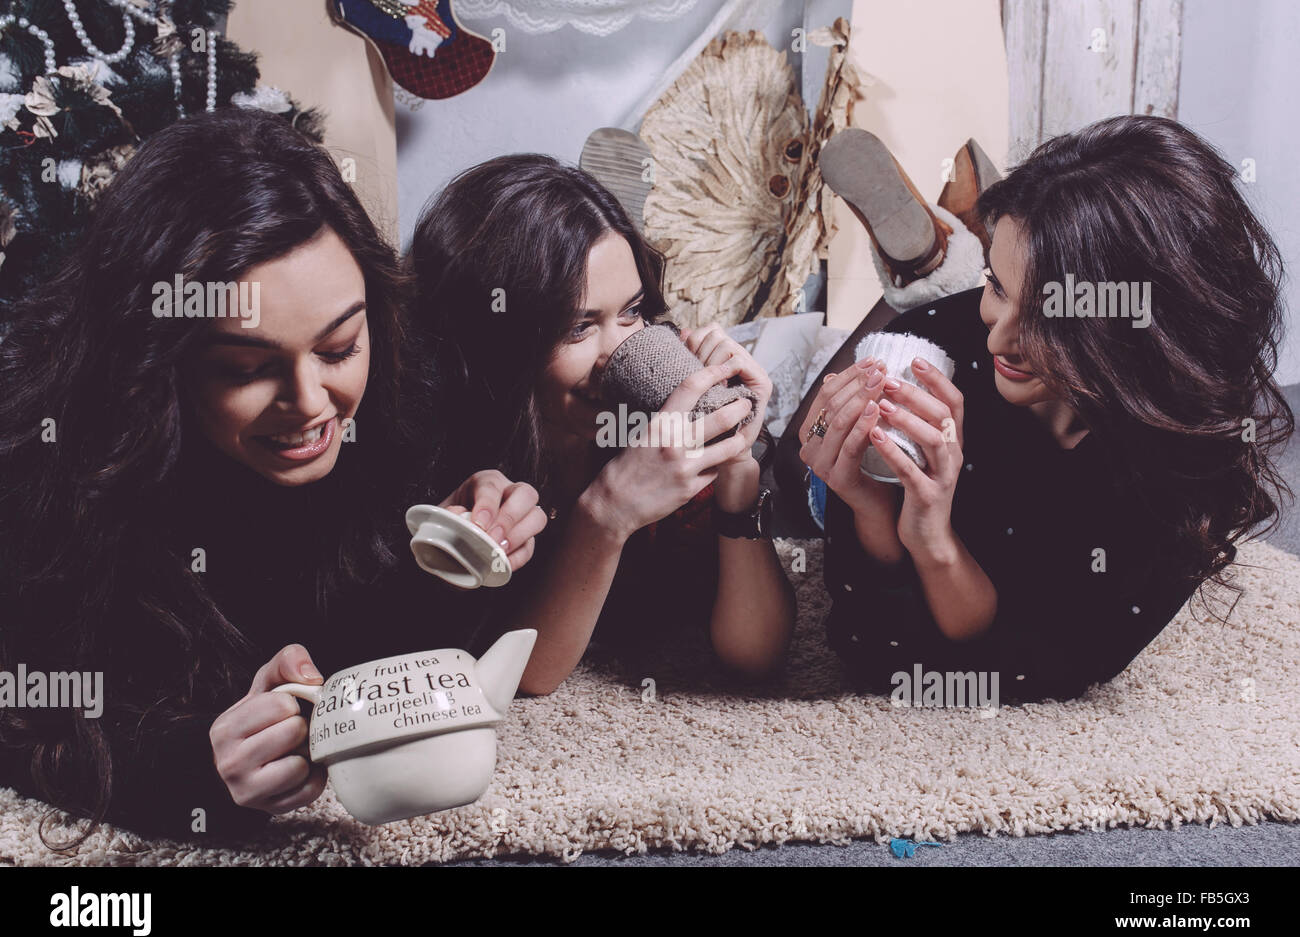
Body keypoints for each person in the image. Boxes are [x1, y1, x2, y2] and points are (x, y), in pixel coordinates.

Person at [0, 109, 546, 844]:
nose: (312, 405)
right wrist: (192, 768)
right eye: (248, 369)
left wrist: (442, 560)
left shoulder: (399, 390)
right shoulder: (49, 455)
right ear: (155, 360)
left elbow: (357, 640)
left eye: (339, 345)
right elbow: (27, 719)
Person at [796, 115, 1293, 703]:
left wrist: (932, 540)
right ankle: (945, 271)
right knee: (794, 471)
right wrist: (872, 509)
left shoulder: (1186, 473)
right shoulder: (947, 343)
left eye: (1047, 319)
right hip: (883, 448)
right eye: (997, 286)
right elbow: (862, 646)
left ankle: (945, 261)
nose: (998, 342)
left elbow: (1037, 669)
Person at [407, 155, 796, 694]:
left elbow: (756, 656)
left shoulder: (664, 426)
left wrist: (736, 469)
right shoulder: (456, 466)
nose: (619, 355)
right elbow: (525, 675)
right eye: (576, 328)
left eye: (633, 312)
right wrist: (606, 514)